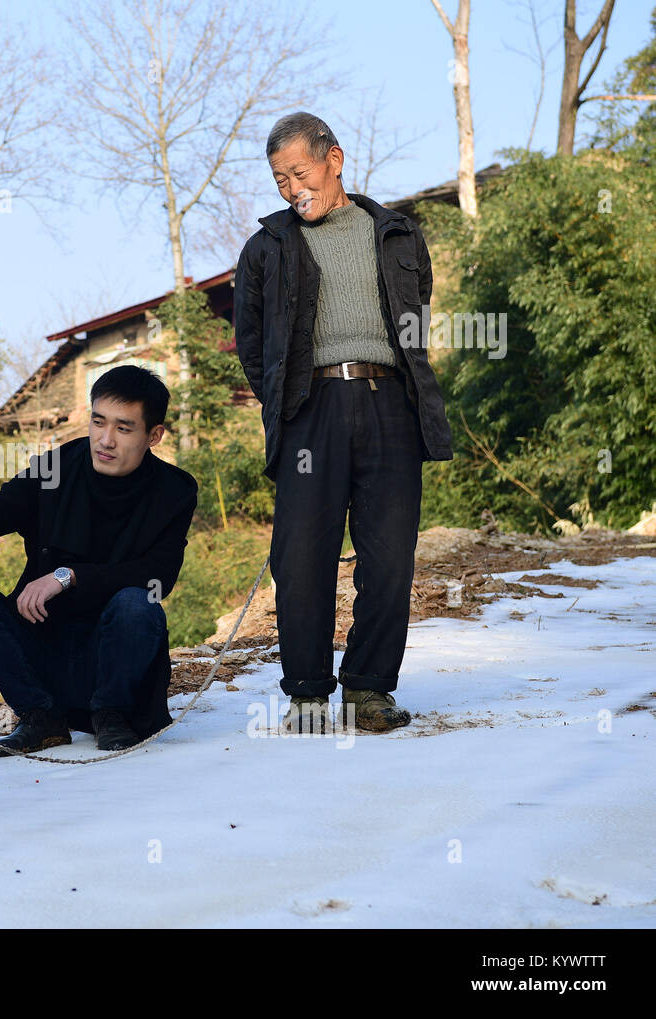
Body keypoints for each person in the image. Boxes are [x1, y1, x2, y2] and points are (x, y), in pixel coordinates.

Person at [232, 111, 453, 733]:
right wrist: (288, 401)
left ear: (336, 159)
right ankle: (305, 694)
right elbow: (252, 344)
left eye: (299, 172)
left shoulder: (398, 235)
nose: (291, 187)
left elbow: (417, 323)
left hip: (389, 406)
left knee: (389, 556)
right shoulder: (266, 249)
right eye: (278, 179)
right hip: (311, 409)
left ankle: (369, 691)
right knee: (301, 557)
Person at [0, 365, 198, 756]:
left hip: (115, 658)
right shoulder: (58, 467)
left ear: (153, 435)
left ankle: (112, 717)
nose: (105, 440)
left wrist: (67, 576)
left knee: (140, 603)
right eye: (98, 422)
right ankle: (41, 718)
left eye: (123, 428)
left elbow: (158, 575)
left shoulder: (174, 490)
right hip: (45, 648)